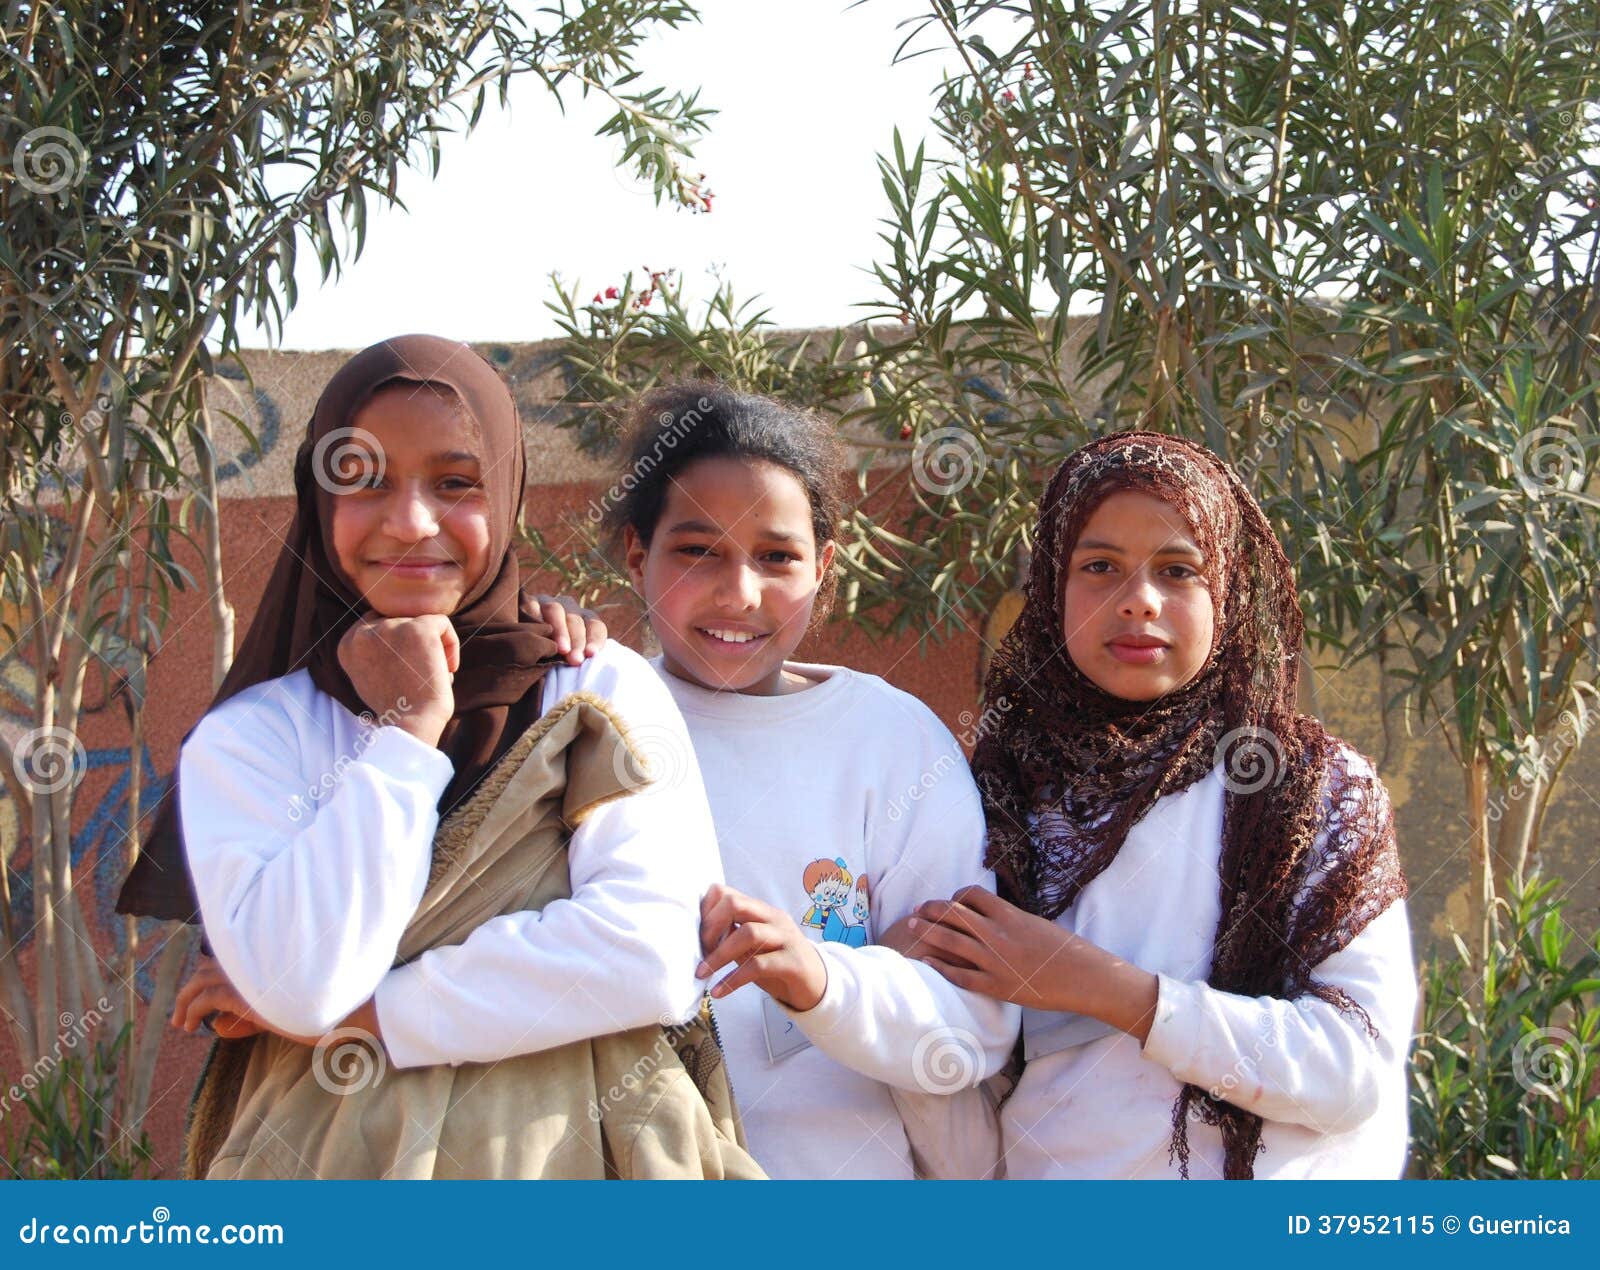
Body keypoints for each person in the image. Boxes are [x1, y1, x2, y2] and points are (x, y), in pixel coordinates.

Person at [115, 335, 758, 1180]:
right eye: (364, 481)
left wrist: (367, 1016)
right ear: (316, 499)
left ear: (508, 490)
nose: (411, 522)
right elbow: (305, 983)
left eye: (457, 483)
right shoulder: (253, 739)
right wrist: (407, 728)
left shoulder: (594, 687)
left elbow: (650, 956)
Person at [903, 430, 1417, 1179]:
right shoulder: (997, 800)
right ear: (1050, 589)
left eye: (1179, 570)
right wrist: (895, 992)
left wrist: (1108, 990)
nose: (1138, 600)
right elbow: (970, 1117)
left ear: (1230, 592)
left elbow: (1354, 1072)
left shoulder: (1309, 790)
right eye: (1099, 566)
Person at [609, 384, 1019, 1180]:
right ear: (638, 555)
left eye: (777, 557)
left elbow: (973, 1026)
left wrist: (826, 980)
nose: (739, 593)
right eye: (697, 550)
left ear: (824, 568)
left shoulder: (894, 743)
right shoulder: (595, 721)